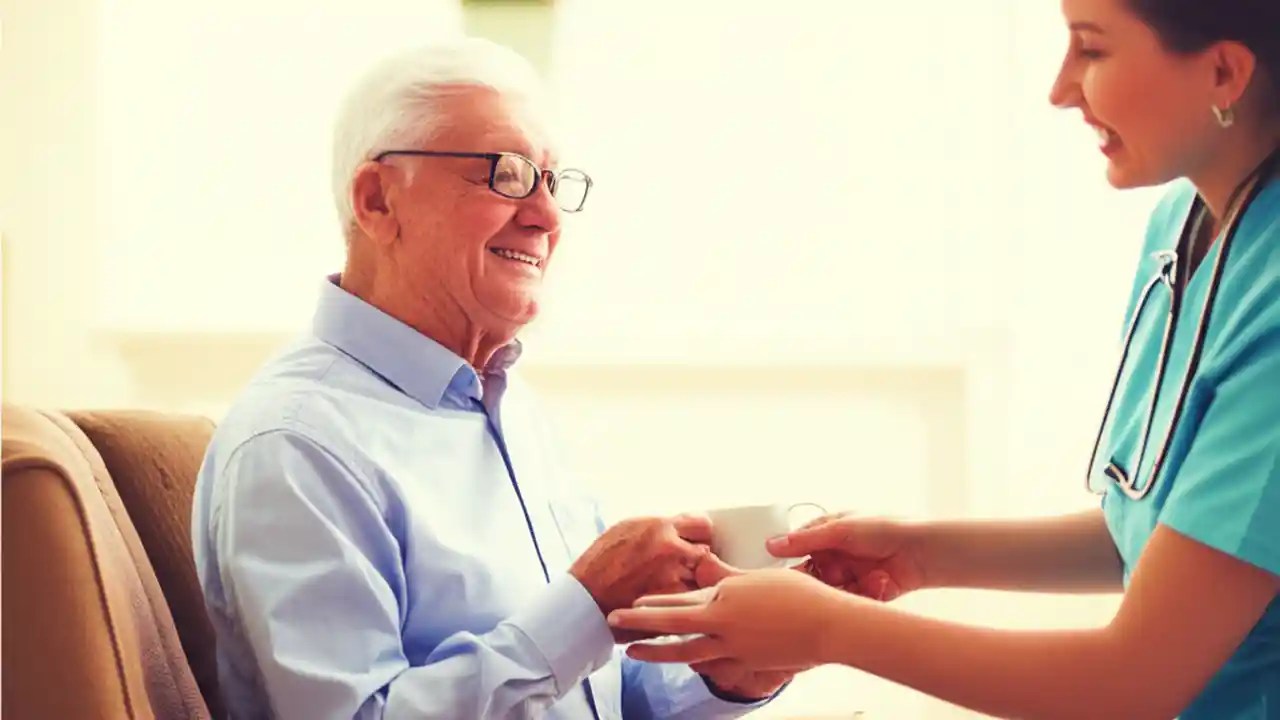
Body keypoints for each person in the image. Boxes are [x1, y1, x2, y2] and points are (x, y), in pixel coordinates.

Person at [608, 1, 1280, 717]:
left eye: (1091, 50)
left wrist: (829, 629)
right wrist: (922, 553)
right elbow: (1167, 537)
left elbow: (1134, 681)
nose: (1060, 89)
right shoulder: (1183, 226)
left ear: (1223, 70)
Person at [191, 38, 792, 719]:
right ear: (377, 200)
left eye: (551, 180)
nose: (546, 215)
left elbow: (601, 698)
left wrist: (736, 673)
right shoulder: (295, 446)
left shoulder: (514, 410)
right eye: (506, 173)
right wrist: (587, 606)